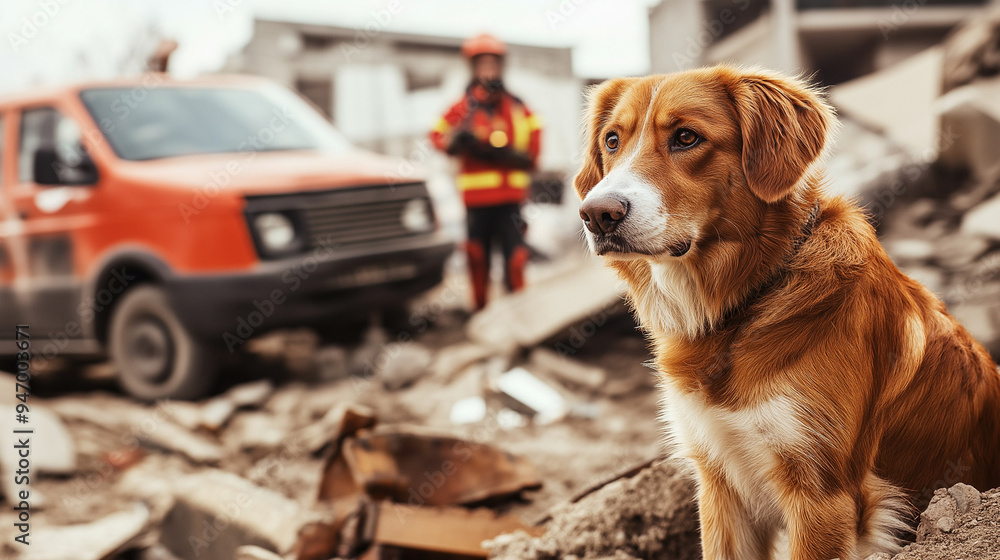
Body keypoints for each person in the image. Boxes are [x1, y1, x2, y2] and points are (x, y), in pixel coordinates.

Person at [430, 33, 542, 310]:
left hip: (511, 200)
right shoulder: (461, 108)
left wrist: (508, 154)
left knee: (515, 259)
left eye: (493, 64)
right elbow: (436, 137)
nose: (488, 71)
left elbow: (535, 149)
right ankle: (479, 314)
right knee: (476, 258)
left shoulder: (518, 107)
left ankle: (520, 317)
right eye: (483, 64)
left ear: (502, 66)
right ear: (473, 68)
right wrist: (456, 140)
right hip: (476, 203)